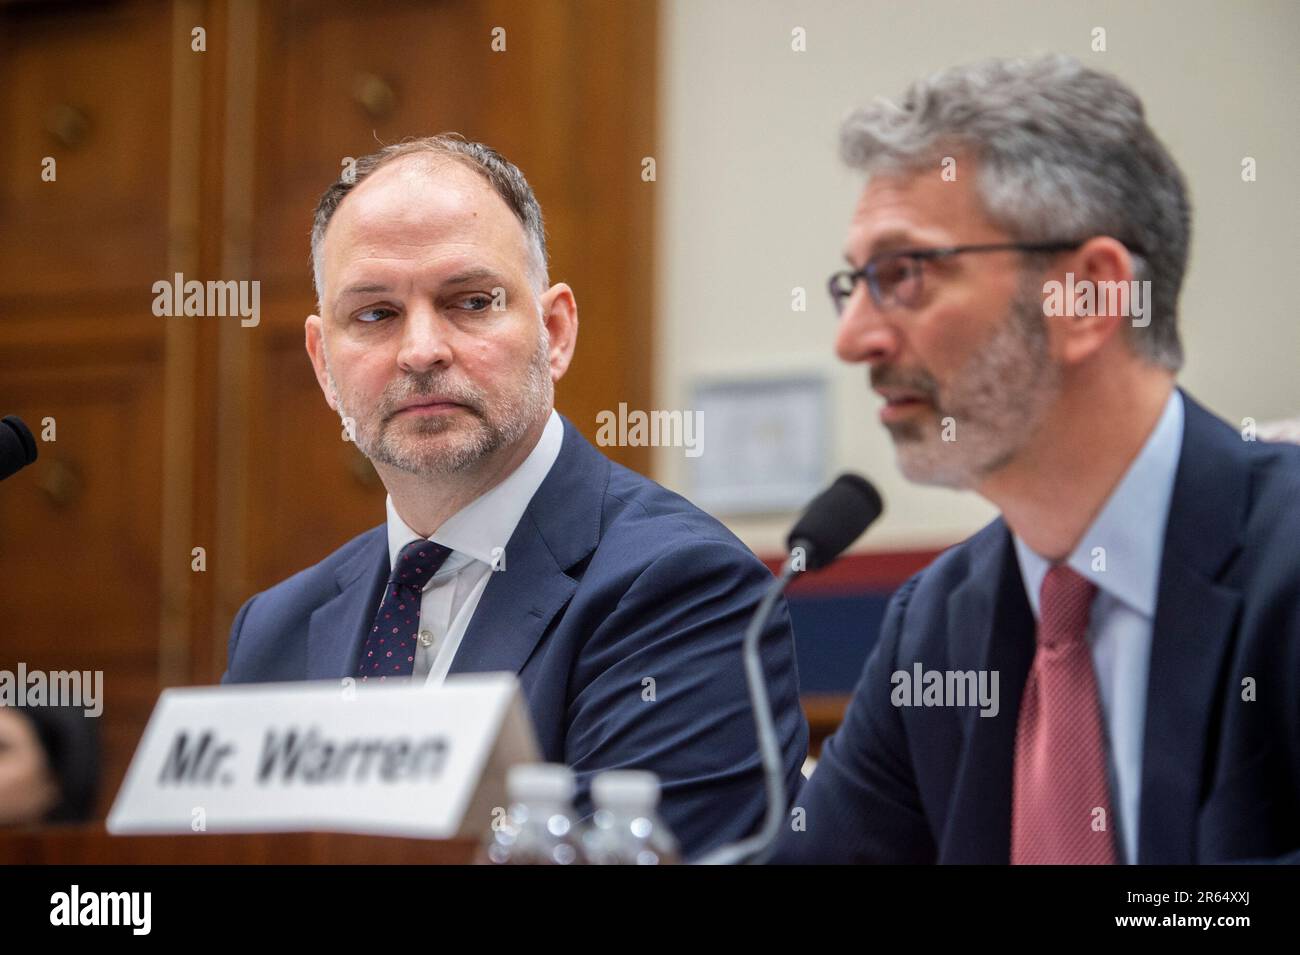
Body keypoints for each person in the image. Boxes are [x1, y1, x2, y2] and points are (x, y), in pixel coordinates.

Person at [773, 55, 1300, 864]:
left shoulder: (1284, 563)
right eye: (857, 284)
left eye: (905, 274)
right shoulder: (935, 626)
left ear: (1087, 296)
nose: (854, 339)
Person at [221, 135, 808, 860]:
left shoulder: (681, 587)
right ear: (323, 364)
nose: (421, 350)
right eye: (374, 314)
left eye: (470, 301)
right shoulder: (274, 628)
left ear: (554, 332)